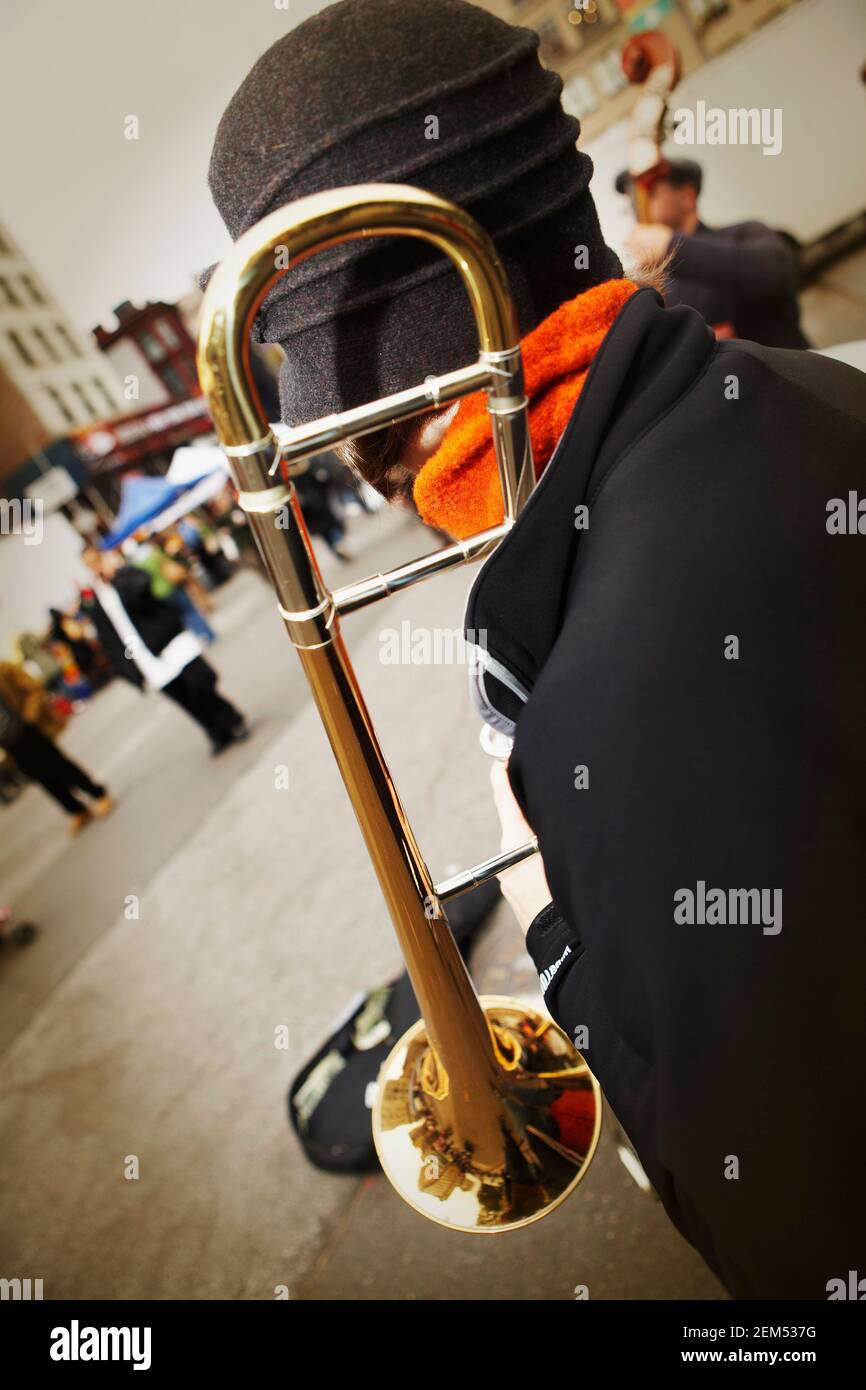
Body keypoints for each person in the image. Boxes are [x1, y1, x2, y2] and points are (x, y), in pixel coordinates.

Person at [203, 0, 866, 1298]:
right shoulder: (809, 384)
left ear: (388, 422)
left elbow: (790, 1231)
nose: (375, 479)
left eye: (358, 441)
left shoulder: (610, 720)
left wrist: (567, 935)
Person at [616, 158, 810, 348]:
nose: (637, 207)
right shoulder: (652, 279)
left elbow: (775, 270)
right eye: (632, 200)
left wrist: (672, 245)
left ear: (686, 197)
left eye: (648, 193)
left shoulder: (743, 235)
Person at [80, 547, 249, 756]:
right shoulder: (97, 600)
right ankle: (215, 732)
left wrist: (116, 574)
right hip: (145, 660)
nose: (95, 567)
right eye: (89, 564)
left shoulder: (126, 575)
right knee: (184, 699)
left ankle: (231, 720)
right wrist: (127, 669)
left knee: (201, 682)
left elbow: (144, 589)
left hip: (169, 641)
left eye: (96, 560)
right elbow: (108, 639)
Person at [0, 659, 113, 833]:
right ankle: (77, 810)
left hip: (28, 730)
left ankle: (98, 794)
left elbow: (33, 686)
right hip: (9, 745)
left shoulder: (3, 669)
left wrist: (28, 719)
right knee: (42, 779)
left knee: (59, 765)